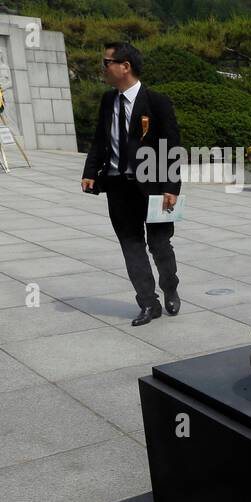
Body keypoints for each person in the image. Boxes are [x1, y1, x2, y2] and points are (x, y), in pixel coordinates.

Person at [80, 42, 181, 327]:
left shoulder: (157, 101)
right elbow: (101, 138)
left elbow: (171, 146)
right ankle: (148, 303)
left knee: (160, 244)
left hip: (154, 187)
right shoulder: (107, 101)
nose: (103, 67)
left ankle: (170, 287)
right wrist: (90, 170)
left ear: (125, 66)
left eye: (106, 62)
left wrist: (172, 187)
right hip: (117, 186)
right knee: (131, 246)